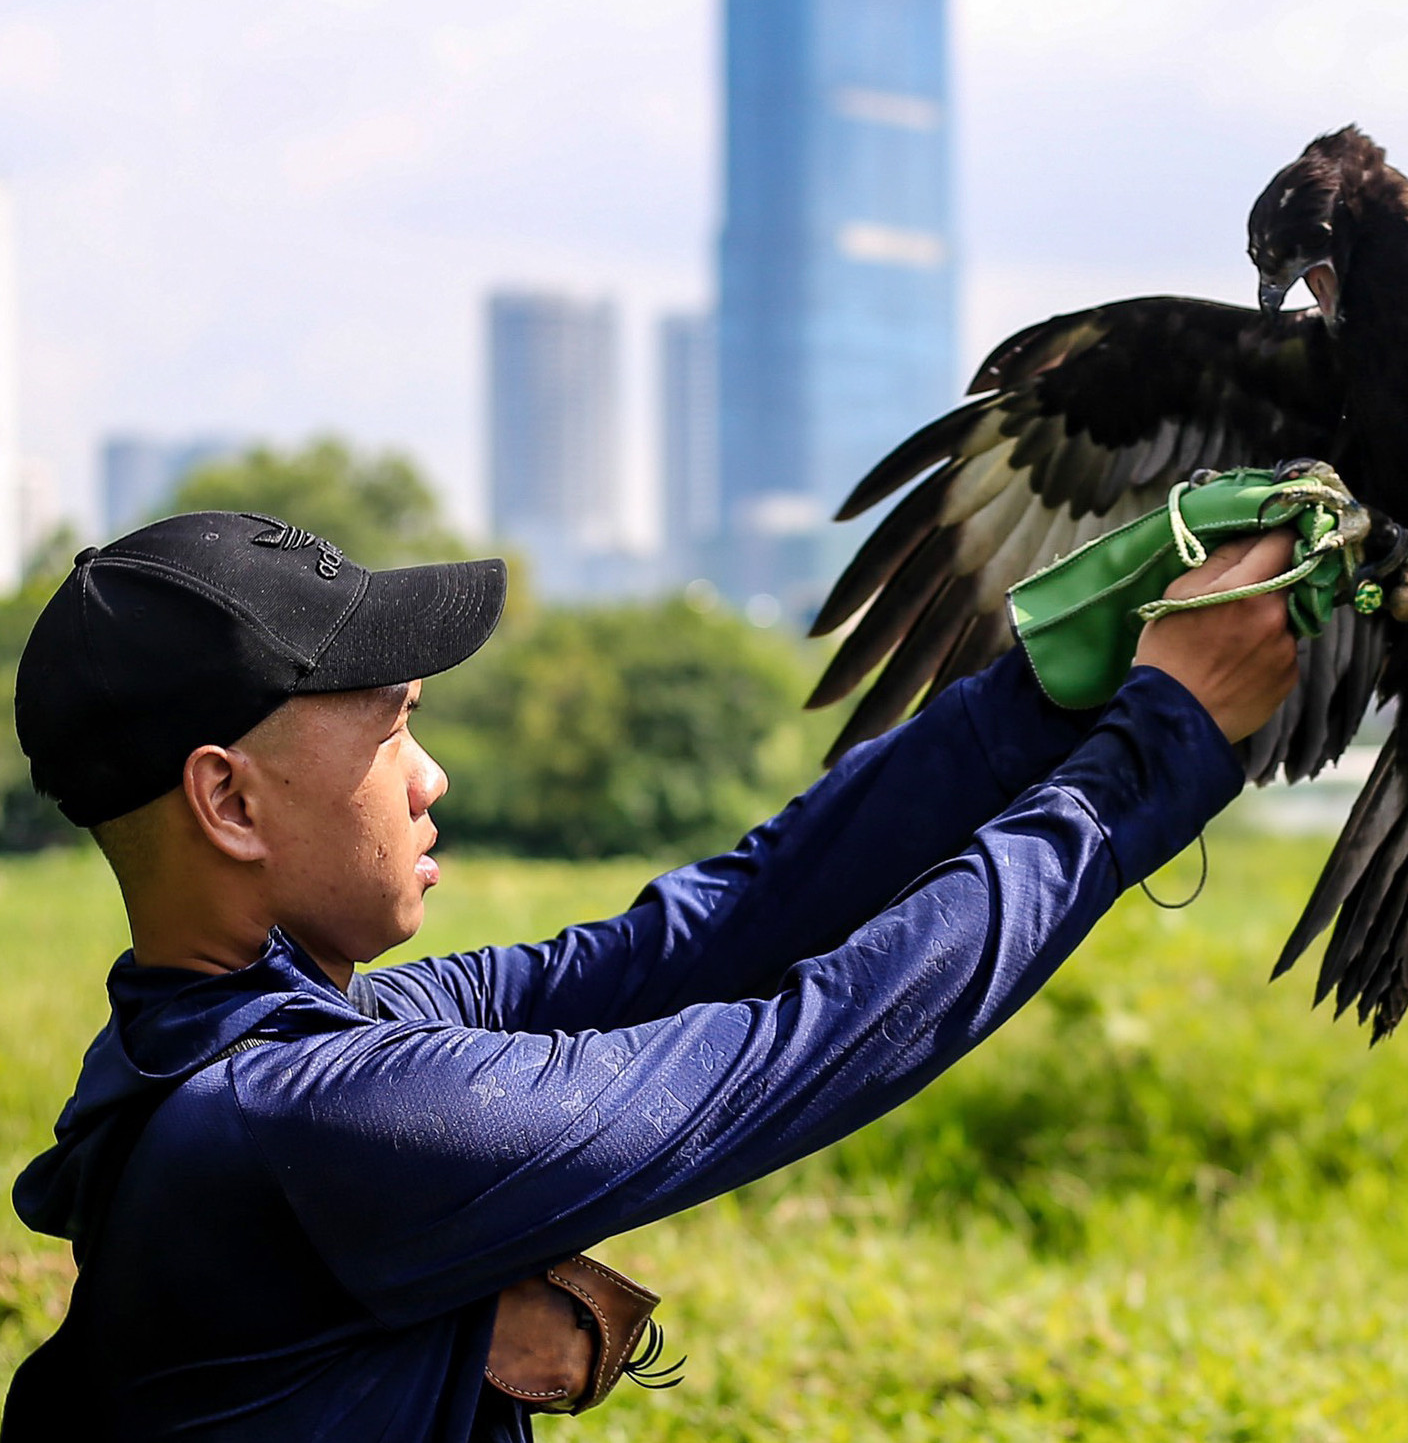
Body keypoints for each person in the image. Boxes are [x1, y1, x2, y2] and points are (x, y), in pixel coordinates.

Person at [3, 510, 1299, 1441]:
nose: (430, 777)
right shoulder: (309, 1113)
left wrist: (1045, 695)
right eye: (393, 729)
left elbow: (713, 932)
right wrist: (1152, 753)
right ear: (228, 801)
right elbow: (797, 1046)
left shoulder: (233, 1041)